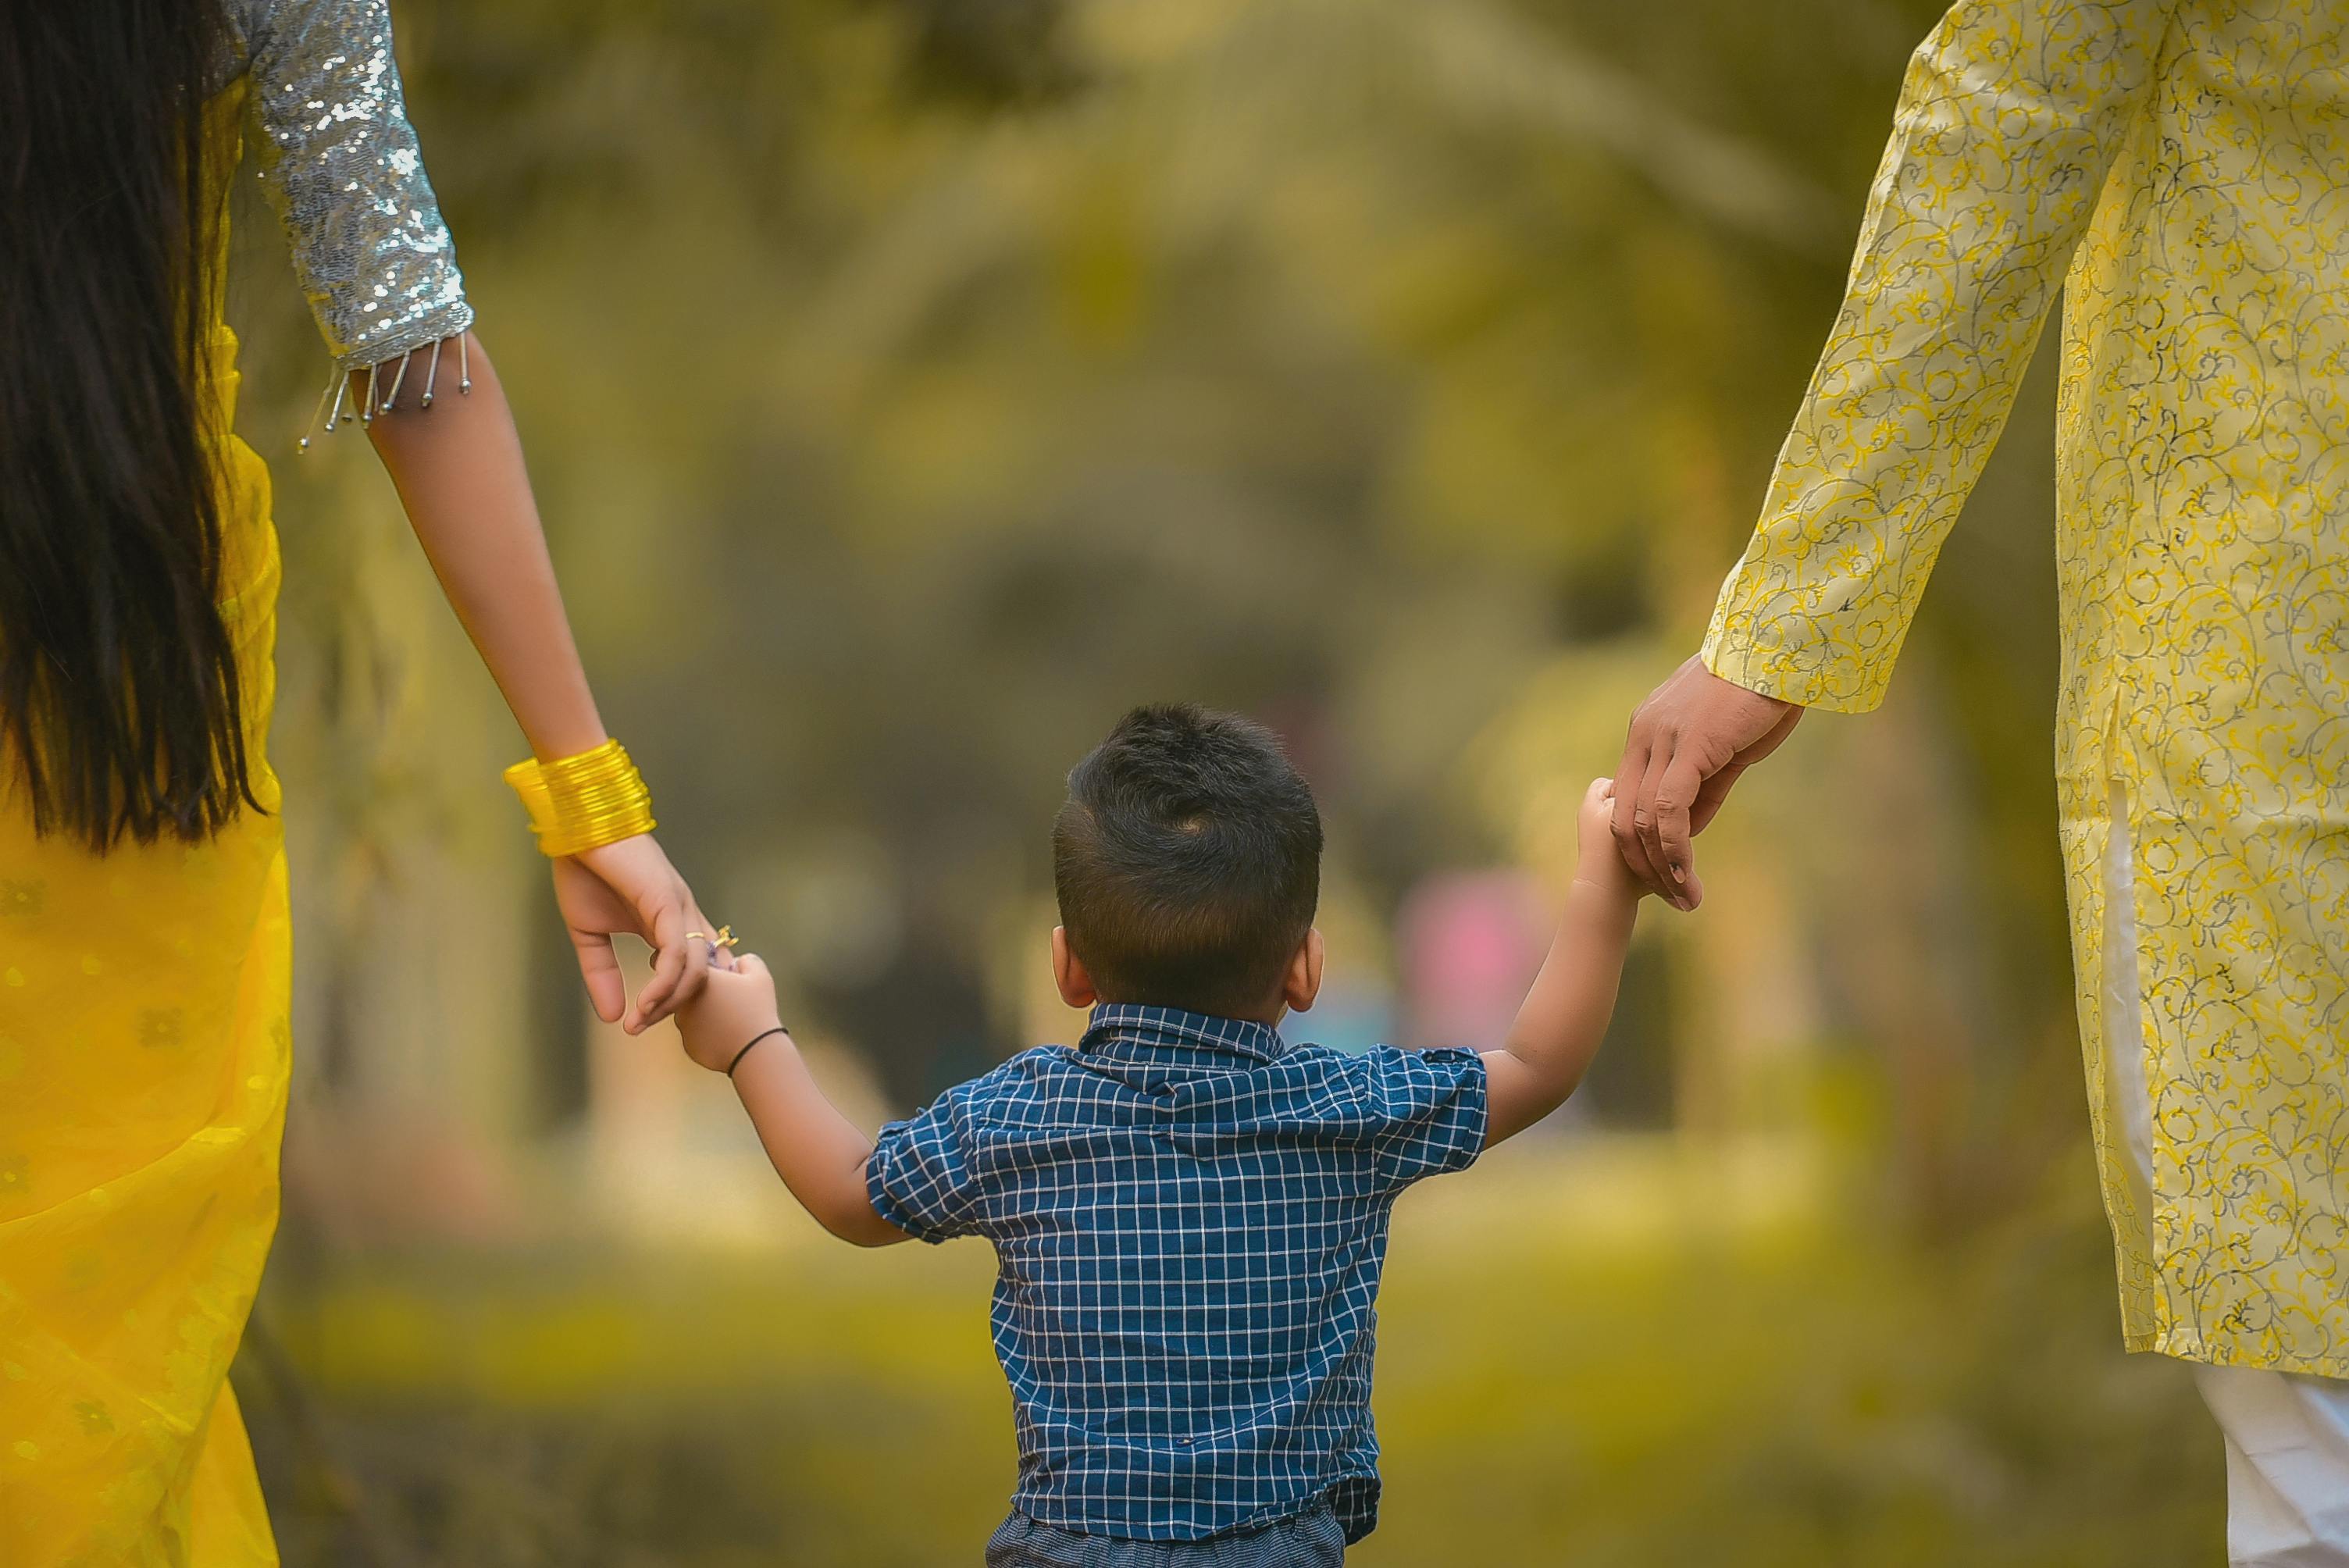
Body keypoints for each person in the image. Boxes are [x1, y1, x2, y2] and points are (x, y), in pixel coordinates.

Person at [1607, 0, 2349, 1557]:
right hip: (2267, 690)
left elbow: (2002, 119)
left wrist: (1778, 629)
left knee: (2319, 1420)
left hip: (2267, 688)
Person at [0, 2, 723, 1560]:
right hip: (116, 682)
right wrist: (587, 795)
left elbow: (406, 333)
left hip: (111, 684)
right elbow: (402, 331)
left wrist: (592, 798)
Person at [674, 704, 1645, 1565]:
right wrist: (1605, 884)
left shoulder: (1016, 1116)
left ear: (1067, 968)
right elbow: (1531, 1068)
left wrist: (751, 1039)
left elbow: (849, 1187)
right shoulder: (1346, 1111)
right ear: (1305, 969)